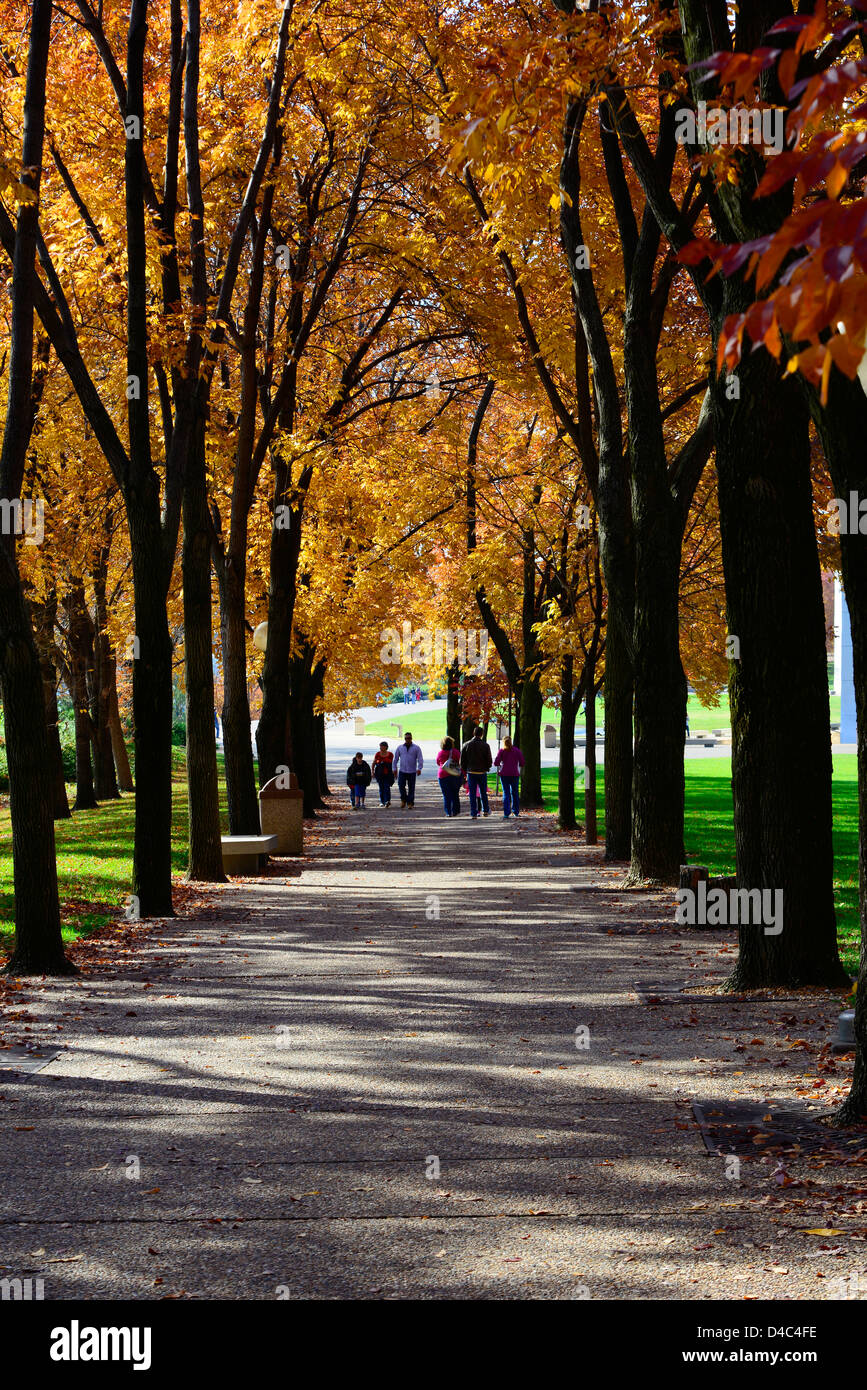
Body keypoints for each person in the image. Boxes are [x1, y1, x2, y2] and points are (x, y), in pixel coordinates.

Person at [460, 725, 492, 818]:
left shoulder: (466, 744)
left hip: (471, 772)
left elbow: (462, 761)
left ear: (473, 733)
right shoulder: (485, 745)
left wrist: (465, 770)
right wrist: (487, 767)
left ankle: (473, 813)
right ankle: (485, 810)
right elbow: (489, 760)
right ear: (482, 734)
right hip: (482, 772)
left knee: (472, 794)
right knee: (483, 792)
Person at [494, 736, 525, 818]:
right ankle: (515, 811)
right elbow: (522, 762)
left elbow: (496, 762)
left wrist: (500, 763)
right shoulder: (517, 750)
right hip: (514, 774)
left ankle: (506, 813)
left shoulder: (502, 751)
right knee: (515, 793)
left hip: (504, 774)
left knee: (506, 793)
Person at [393, 730, 423, 807]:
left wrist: (419, 768)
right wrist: (394, 769)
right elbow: (395, 759)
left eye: (409, 738)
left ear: (411, 738)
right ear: (404, 739)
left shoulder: (416, 748)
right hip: (402, 771)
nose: (407, 739)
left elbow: (420, 758)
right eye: (406, 738)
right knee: (401, 786)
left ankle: (410, 802)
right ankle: (403, 800)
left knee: (411, 787)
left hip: (412, 771)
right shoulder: (400, 747)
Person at [436, 736, 463, 816]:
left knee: (446, 794)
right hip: (454, 774)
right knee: (455, 793)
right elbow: (460, 762)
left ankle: (448, 812)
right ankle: (455, 810)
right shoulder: (456, 752)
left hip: (443, 775)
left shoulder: (440, 753)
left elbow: (438, 762)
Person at [372, 741, 395, 806]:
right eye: (380, 746)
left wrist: (395, 772)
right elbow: (374, 763)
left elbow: (393, 764)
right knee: (381, 788)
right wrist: (372, 772)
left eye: (382, 746)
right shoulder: (377, 754)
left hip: (388, 774)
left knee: (387, 787)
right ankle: (382, 801)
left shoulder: (390, 754)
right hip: (379, 774)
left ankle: (387, 801)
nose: (381, 748)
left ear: (386, 747)